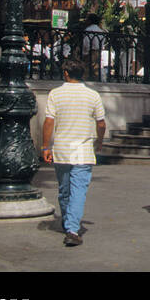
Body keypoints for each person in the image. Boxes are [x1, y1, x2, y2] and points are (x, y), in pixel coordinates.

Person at [40, 58, 107, 246]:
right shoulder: (93, 95)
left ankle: (69, 222)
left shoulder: (55, 94)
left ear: (66, 74)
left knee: (64, 190)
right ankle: (71, 227)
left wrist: (46, 146)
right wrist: (99, 141)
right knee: (78, 191)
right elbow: (101, 123)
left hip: (61, 150)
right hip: (84, 151)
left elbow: (49, 122)